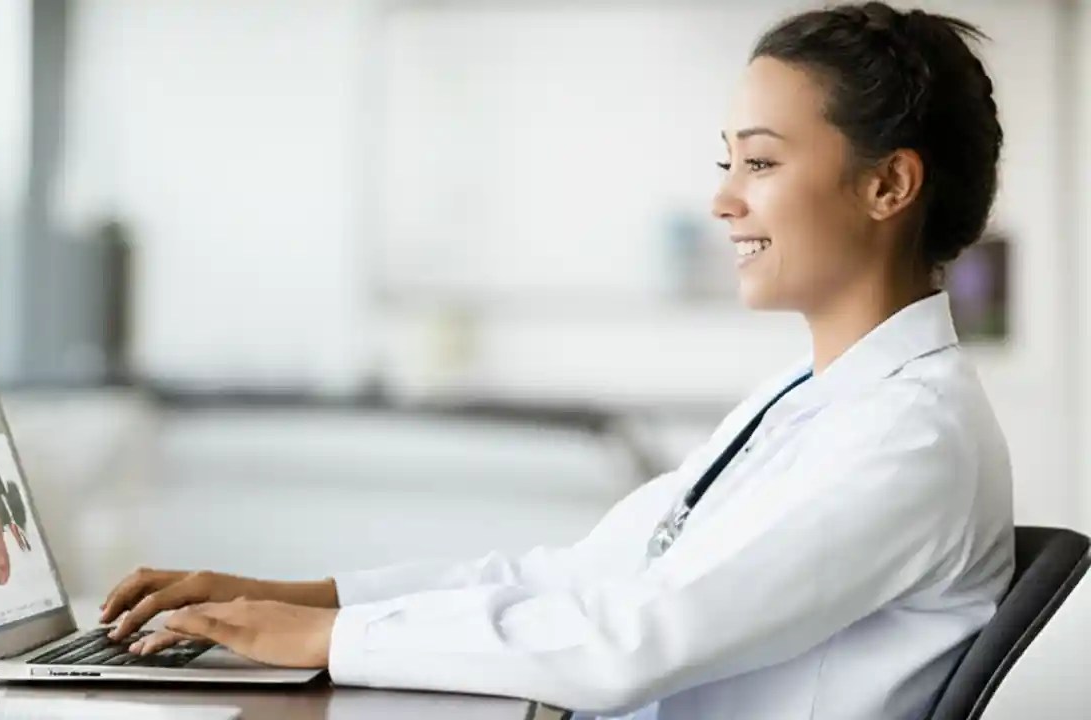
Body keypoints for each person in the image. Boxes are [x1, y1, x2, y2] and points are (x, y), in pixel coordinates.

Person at [99, 3, 1014, 717]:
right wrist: (290, 598)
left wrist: (334, 638)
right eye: (727, 163)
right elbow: (580, 577)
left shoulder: (910, 439)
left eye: (761, 165)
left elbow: (632, 641)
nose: (724, 201)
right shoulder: (810, 401)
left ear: (888, 185)